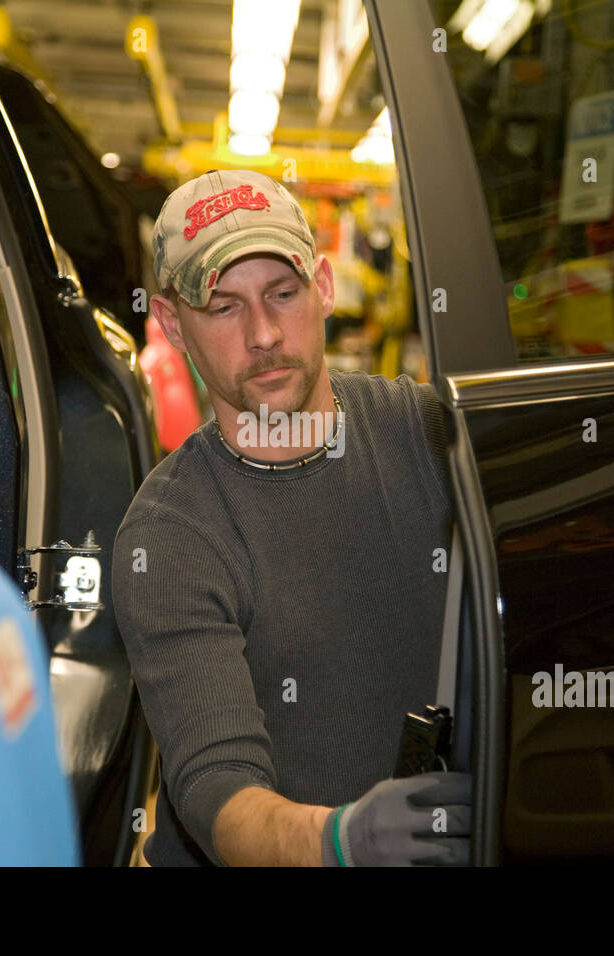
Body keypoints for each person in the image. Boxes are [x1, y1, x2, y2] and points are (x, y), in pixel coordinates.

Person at [111, 169, 471, 866]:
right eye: (223, 307)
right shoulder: (170, 534)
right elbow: (219, 792)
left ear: (325, 286)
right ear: (171, 323)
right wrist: (344, 839)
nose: (266, 333)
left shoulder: (429, 435)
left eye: (283, 293)